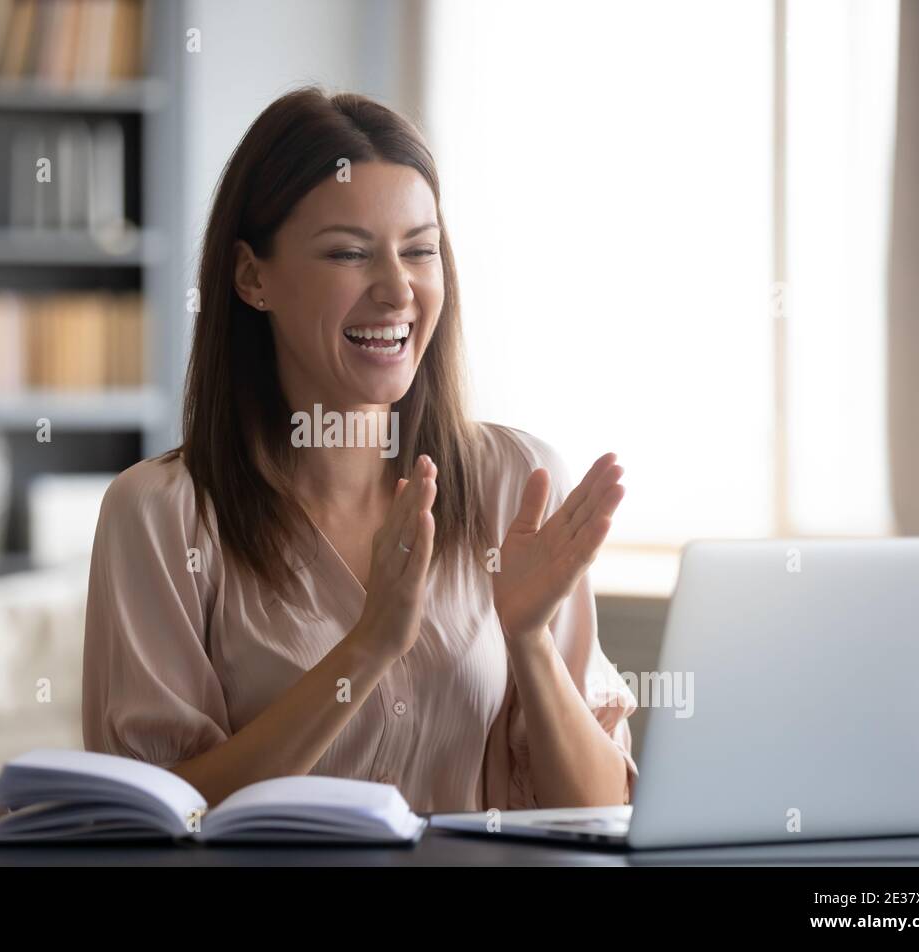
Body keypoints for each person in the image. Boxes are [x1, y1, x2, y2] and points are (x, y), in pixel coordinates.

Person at [82, 86, 637, 814]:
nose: (397, 289)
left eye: (420, 251)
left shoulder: (516, 484)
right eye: (350, 253)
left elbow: (603, 815)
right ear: (252, 277)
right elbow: (155, 817)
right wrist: (367, 647)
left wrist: (529, 641)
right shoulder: (162, 516)